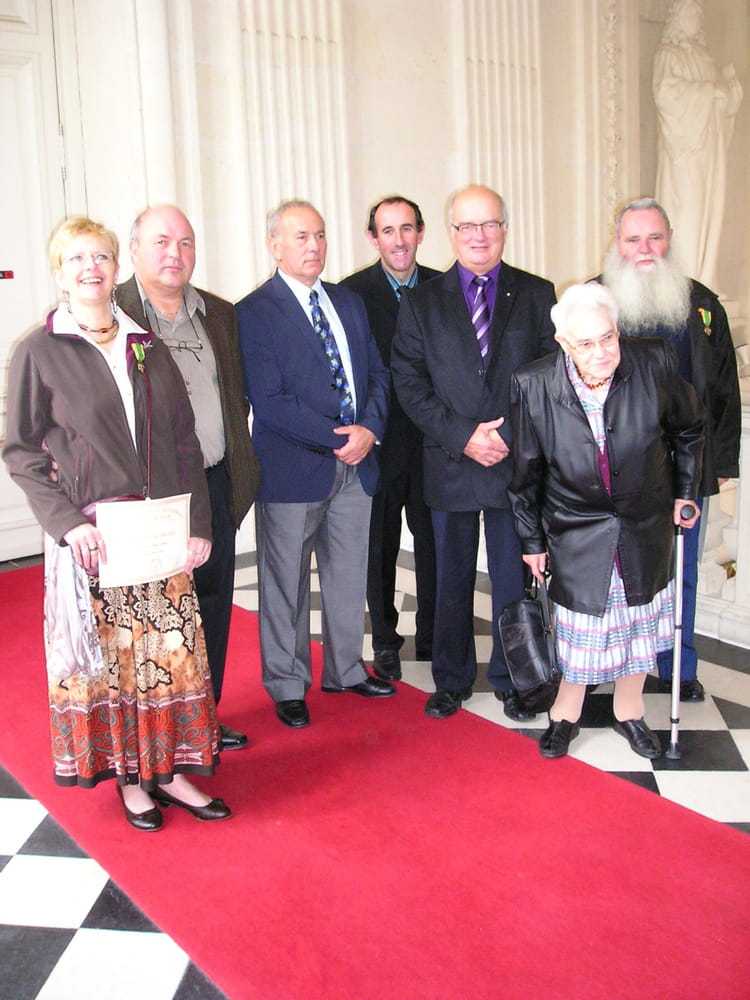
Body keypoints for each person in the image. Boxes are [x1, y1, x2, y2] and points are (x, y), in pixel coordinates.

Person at [3, 216, 231, 830]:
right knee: (115, 667)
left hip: (158, 532)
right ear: (60, 271)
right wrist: (66, 524)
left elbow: (184, 443)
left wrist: (198, 524)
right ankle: (132, 780)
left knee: (169, 656)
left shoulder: (145, 344)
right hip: (95, 541)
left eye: (101, 257)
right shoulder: (40, 351)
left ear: (115, 265)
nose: (91, 268)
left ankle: (172, 770)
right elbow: (21, 452)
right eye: (77, 259)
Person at [509, 283, 704, 760]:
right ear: (563, 343)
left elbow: (690, 428)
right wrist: (532, 539)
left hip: (644, 522)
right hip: (575, 528)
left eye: (609, 338)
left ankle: (629, 709)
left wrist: (686, 492)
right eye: (585, 343)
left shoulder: (653, 363)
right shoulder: (533, 384)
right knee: (580, 631)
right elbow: (525, 474)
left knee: (639, 624)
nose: (601, 352)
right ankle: (564, 713)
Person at [391, 184, 557, 721]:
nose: (479, 236)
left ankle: (514, 677)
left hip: (514, 462)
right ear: (451, 233)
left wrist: (509, 434)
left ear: (505, 229)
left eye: (489, 225)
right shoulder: (422, 300)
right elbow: (409, 382)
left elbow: (551, 376)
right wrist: (464, 434)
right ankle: (452, 678)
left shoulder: (536, 294)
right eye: (467, 226)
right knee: (449, 577)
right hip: (451, 458)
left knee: (512, 577)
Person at [235, 200, 393, 728]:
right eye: (300, 236)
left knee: (350, 574)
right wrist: (338, 438)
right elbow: (270, 400)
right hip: (293, 469)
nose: (314, 245)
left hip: (357, 465)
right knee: (286, 583)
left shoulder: (348, 302)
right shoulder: (254, 312)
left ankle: (347, 669)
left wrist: (369, 429)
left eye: (320, 235)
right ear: (274, 245)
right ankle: (287, 682)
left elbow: (376, 374)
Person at [118, 204, 260, 750]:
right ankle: (154, 731)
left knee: (211, 606)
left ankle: (204, 716)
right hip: (148, 495)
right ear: (135, 251)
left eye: (184, 243)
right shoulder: (115, 313)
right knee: (156, 613)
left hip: (216, 483)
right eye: (160, 242)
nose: (174, 253)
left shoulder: (219, 314)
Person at [599, 197, 741, 702]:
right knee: (612, 575)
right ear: (618, 243)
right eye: (634, 239)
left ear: (669, 239)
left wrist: (722, 462)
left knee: (681, 572)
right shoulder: (594, 300)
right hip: (611, 469)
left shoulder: (701, 305)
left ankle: (676, 665)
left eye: (654, 238)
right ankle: (608, 663)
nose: (645, 249)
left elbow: (725, 389)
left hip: (685, 470)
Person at [340, 196, 440, 680]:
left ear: (421, 232)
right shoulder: (350, 295)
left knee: (435, 542)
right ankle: (384, 639)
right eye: (387, 230)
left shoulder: (446, 288)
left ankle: (435, 633)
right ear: (372, 237)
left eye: (407, 229)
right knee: (378, 544)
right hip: (379, 441)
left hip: (436, 442)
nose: (398, 240)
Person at [653, 0, 742, 289]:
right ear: (676, 18)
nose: (694, 18)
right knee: (688, 210)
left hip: (710, 150)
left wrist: (730, 95)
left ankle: (706, 278)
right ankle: (686, 278)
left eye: (697, 14)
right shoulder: (670, 54)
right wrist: (710, 91)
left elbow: (722, 104)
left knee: (711, 212)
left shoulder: (705, 58)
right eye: (688, 13)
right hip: (686, 151)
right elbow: (667, 94)